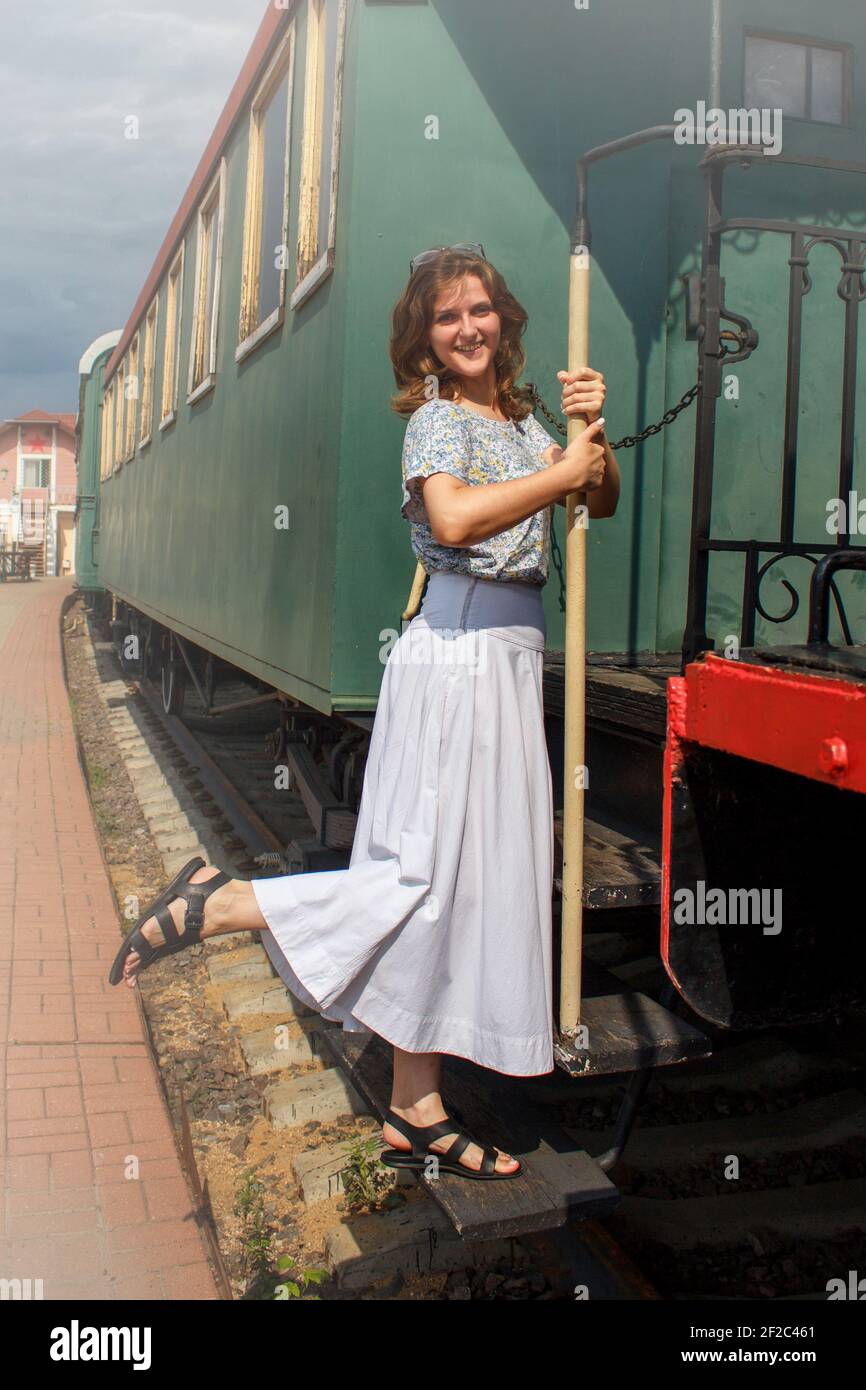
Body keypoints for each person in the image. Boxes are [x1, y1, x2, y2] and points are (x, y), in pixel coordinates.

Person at [108, 246, 620, 1181]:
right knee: (417, 875)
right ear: (423, 340)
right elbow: (459, 523)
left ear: (503, 319)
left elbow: (602, 498)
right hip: (457, 659)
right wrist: (564, 470)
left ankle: (414, 1107)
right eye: (446, 317)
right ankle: (223, 902)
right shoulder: (434, 422)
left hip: (505, 661)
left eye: (480, 311)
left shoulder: (521, 417)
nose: (467, 328)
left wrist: (593, 433)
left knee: (465, 882)